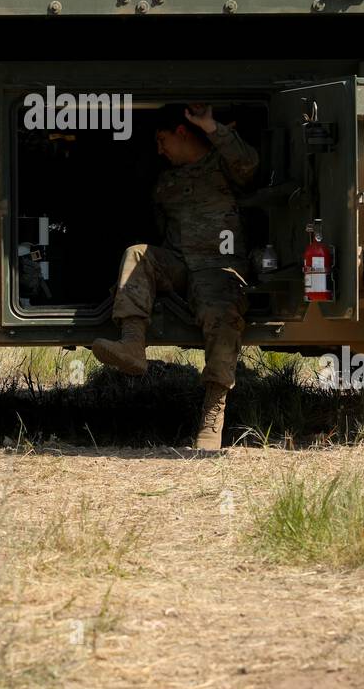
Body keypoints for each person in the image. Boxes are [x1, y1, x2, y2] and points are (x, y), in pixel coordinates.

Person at [91, 103, 259, 451]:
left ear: (182, 133)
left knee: (220, 315)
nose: (159, 150)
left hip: (219, 267)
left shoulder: (223, 165)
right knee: (138, 253)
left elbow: (249, 163)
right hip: (181, 264)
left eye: (161, 140)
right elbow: (159, 227)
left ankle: (213, 414)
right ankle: (133, 346)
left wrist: (211, 125)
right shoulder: (165, 182)